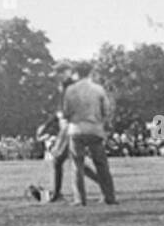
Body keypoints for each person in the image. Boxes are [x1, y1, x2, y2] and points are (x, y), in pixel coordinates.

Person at [31, 63, 98, 203]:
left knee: (58, 160)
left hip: (71, 128)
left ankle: (56, 195)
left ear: (65, 73)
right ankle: (104, 185)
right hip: (69, 128)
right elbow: (60, 112)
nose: (54, 77)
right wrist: (47, 124)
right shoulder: (64, 89)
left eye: (57, 73)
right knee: (73, 161)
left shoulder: (71, 87)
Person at [61, 63, 118, 206]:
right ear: (90, 73)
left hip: (77, 129)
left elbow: (66, 112)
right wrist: (101, 121)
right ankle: (109, 196)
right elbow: (106, 109)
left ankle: (80, 199)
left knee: (77, 165)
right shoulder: (98, 89)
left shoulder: (70, 90)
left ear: (76, 73)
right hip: (95, 129)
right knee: (101, 164)